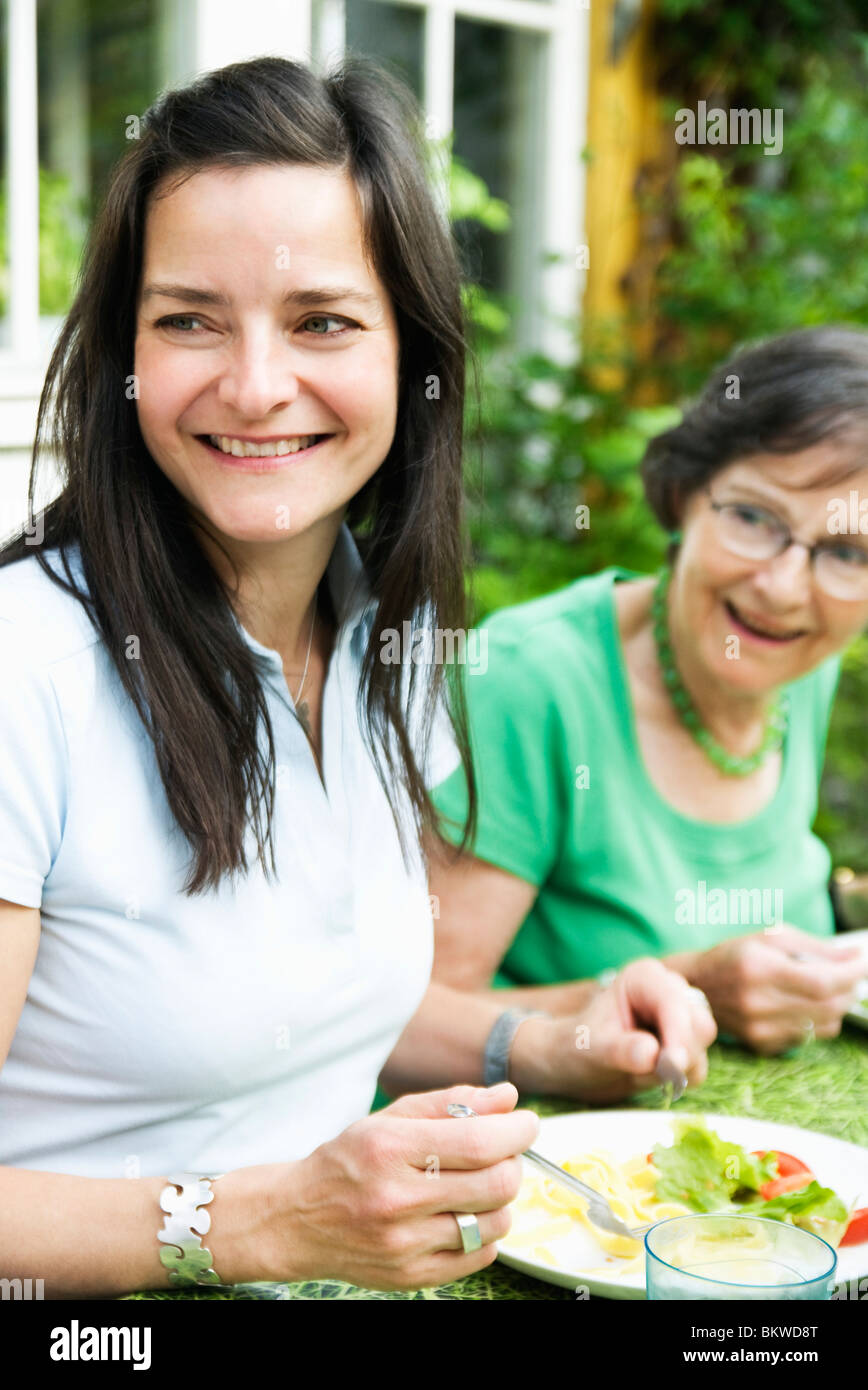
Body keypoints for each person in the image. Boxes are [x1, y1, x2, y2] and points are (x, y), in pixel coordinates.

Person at [0, 55, 713, 1299]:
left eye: (321, 320)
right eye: (188, 319)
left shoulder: (385, 637)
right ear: (122, 354)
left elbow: (308, 1011)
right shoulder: (26, 672)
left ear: (412, 355)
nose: (255, 384)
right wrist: (253, 1224)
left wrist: (546, 1039)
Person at [430, 326, 868, 1058]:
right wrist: (691, 984)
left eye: (849, 552)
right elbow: (400, 1023)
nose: (784, 588)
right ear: (686, 494)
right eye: (755, 518)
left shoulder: (800, 662)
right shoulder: (529, 682)